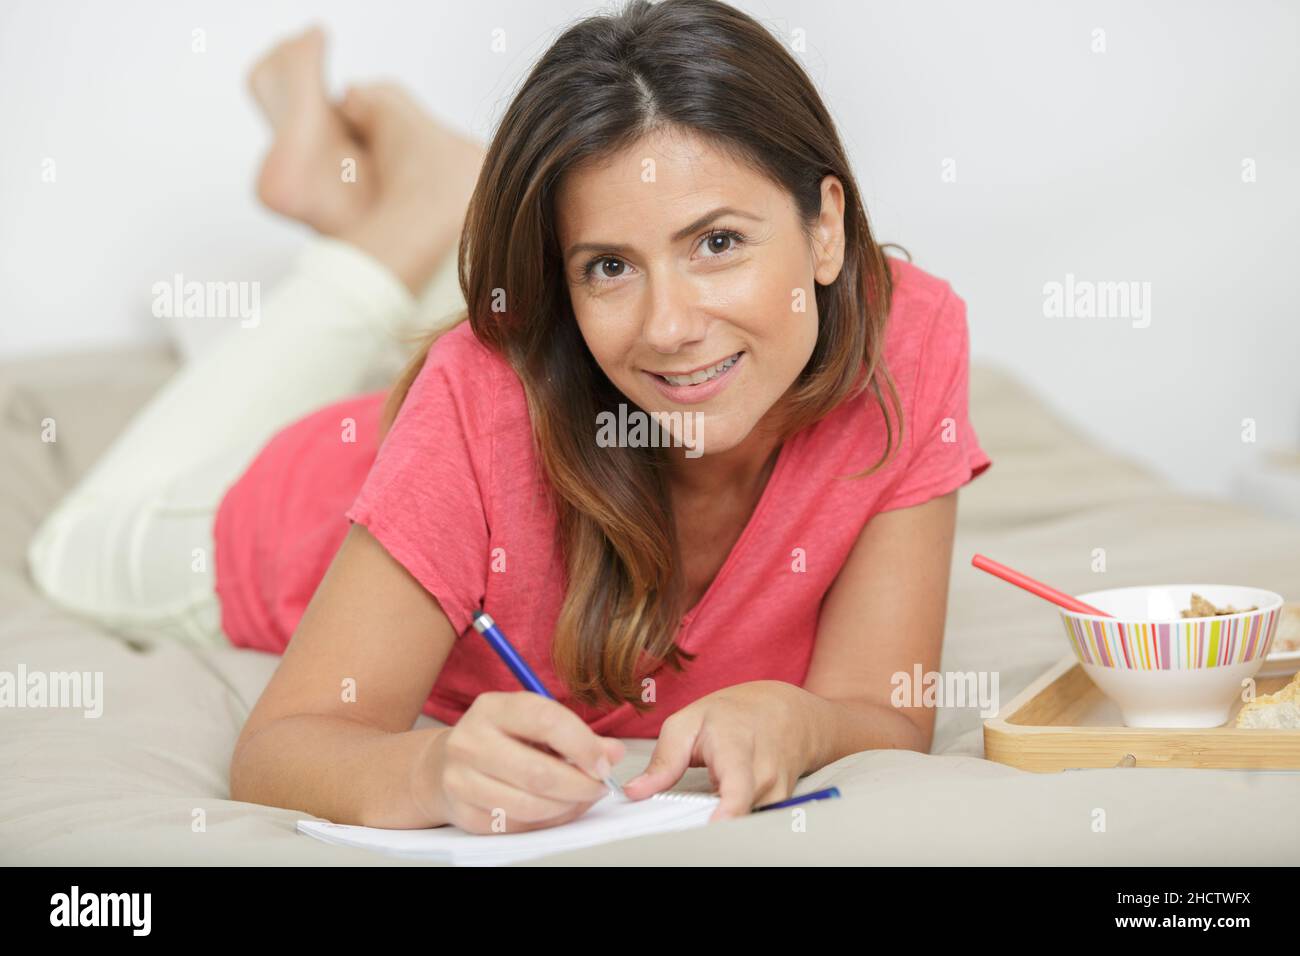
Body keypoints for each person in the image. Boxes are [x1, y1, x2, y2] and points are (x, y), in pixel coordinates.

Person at [28, 0, 992, 835]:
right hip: (267, 515)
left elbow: (875, 705)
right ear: (563, 283)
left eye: (719, 243)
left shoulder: (907, 342)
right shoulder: (479, 398)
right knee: (73, 552)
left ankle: (381, 192)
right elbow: (282, 746)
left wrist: (804, 721)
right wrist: (427, 772)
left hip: (430, 426)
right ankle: (400, 222)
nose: (669, 327)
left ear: (827, 230)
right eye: (607, 265)